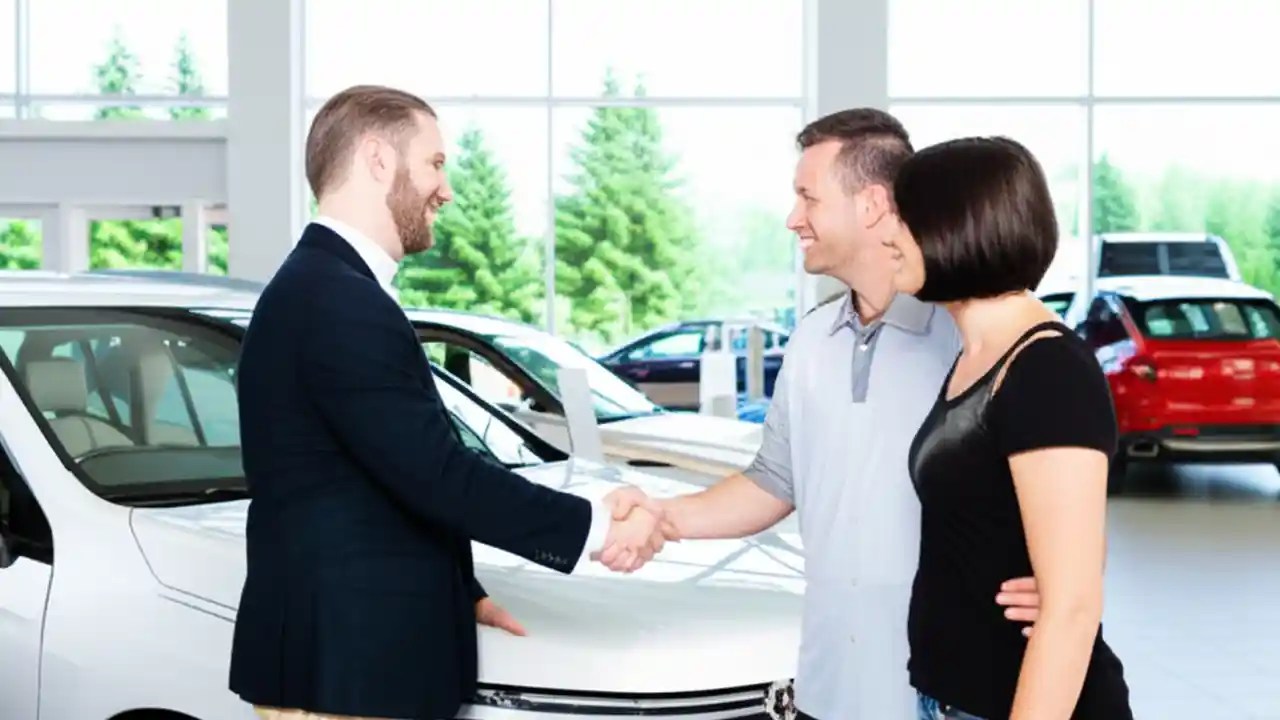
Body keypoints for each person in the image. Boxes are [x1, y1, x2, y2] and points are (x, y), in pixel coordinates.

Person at [229, 84, 665, 720]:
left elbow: (373, 478)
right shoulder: (338, 299)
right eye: (435, 162)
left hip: (347, 664)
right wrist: (595, 526)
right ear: (378, 160)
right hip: (348, 674)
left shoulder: (323, 286)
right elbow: (438, 474)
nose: (447, 187)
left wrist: (460, 588)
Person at [609, 109, 1044, 720]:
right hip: (828, 684)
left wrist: (1065, 583)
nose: (793, 218)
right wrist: (663, 517)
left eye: (807, 197)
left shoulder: (967, 336)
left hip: (947, 694)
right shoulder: (812, 339)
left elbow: (1060, 479)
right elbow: (774, 481)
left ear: (870, 205)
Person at [886, 136, 1133, 719]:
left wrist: (1071, 580)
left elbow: (1071, 610)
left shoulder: (1046, 368)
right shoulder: (978, 354)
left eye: (904, 218)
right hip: (953, 698)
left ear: (960, 226)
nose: (888, 235)